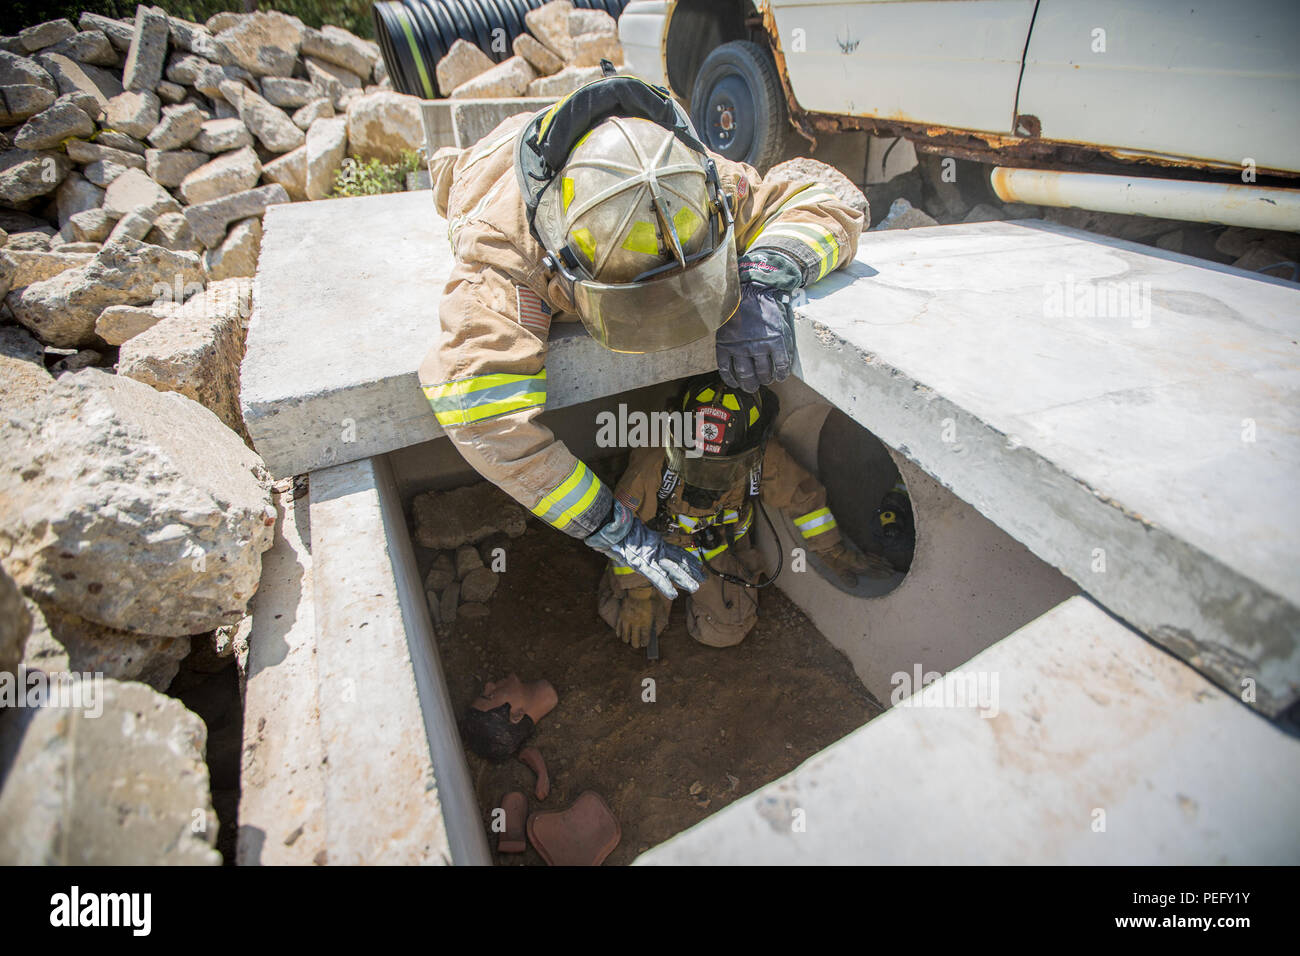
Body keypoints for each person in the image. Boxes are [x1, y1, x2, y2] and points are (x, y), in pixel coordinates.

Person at [419, 70, 864, 602]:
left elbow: (828, 204)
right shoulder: (505, 255)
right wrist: (610, 526)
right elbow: (484, 416)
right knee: (453, 173)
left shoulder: (699, 184)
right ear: (567, 262)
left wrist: (762, 278)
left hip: (623, 153)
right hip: (488, 164)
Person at [597, 373, 891, 650]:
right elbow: (619, 529)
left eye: (720, 470)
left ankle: (698, 592)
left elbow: (803, 500)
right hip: (658, 548)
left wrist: (832, 551)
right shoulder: (653, 459)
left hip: (713, 548)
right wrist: (638, 594)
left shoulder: (765, 458)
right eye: (695, 463)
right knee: (634, 625)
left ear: (752, 450)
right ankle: (650, 594)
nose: (706, 479)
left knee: (726, 631)